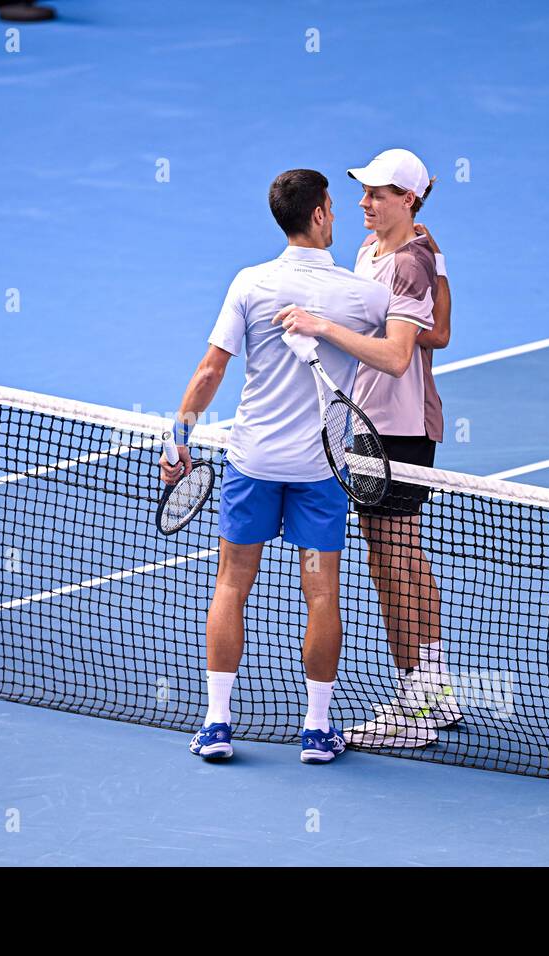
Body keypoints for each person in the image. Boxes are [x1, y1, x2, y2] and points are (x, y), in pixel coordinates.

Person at [163, 169, 418, 764]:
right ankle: (316, 728)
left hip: (252, 462)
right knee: (321, 593)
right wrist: (419, 245)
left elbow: (210, 371)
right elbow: (417, 339)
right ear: (322, 215)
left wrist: (179, 439)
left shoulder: (250, 283)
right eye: (337, 204)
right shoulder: (363, 296)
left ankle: (217, 723)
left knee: (231, 585)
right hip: (318, 470)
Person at [340, 149, 460, 749]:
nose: (364, 202)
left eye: (377, 194)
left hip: (400, 427)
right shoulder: (374, 252)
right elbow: (433, 332)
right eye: (363, 192)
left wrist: (324, 330)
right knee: (391, 553)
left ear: (407, 199)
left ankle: (419, 701)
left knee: (396, 556)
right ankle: (430, 689)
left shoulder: (409, 264)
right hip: (370, 420)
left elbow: (401, 353)